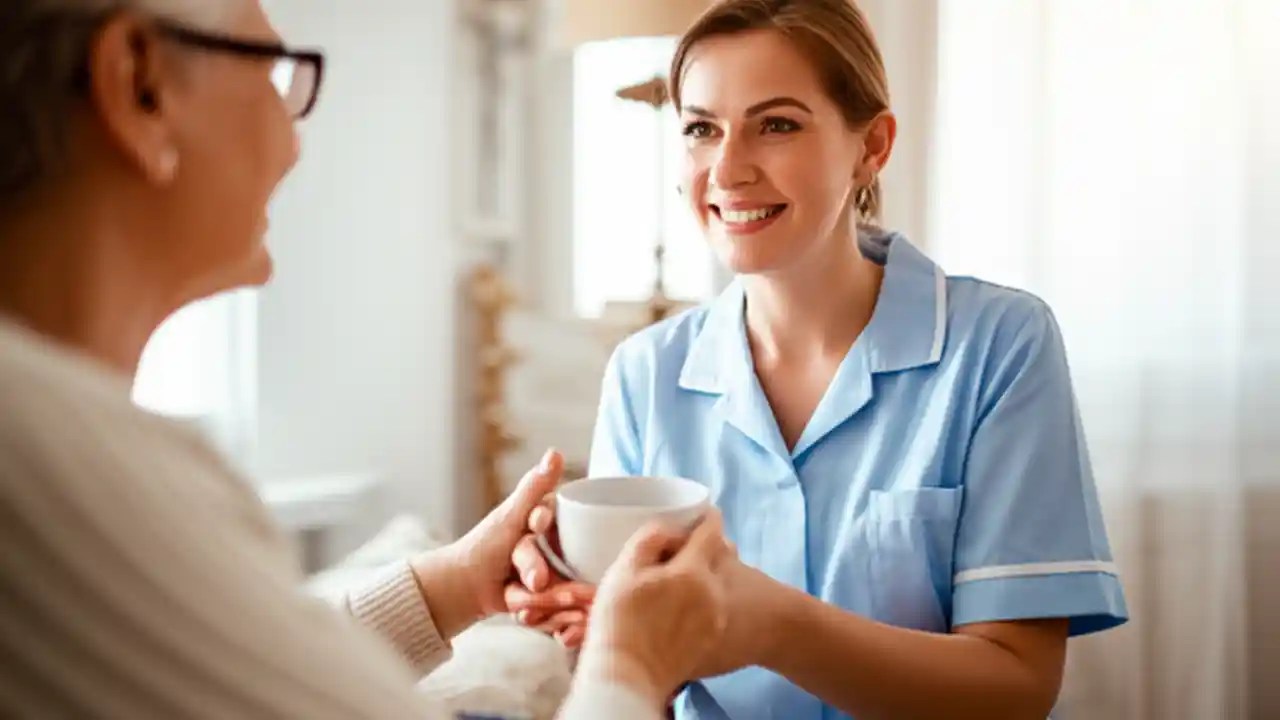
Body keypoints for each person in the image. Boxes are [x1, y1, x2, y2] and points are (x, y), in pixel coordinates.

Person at [0, 0, 737, 717]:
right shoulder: (62, 469)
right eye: (272, 69)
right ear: (138, 86)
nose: (293, 137)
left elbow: (216, 672)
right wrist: (631, 661)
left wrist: (450, 587)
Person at [508, 0, 1130, 718]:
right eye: (702, 130)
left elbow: (1015, 689)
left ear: (872, 147)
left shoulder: (1000, 345)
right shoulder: (643, 374)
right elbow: (626, 671)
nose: (728, 170)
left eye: (776, 124)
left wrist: (769, 625)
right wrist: (579, 608)